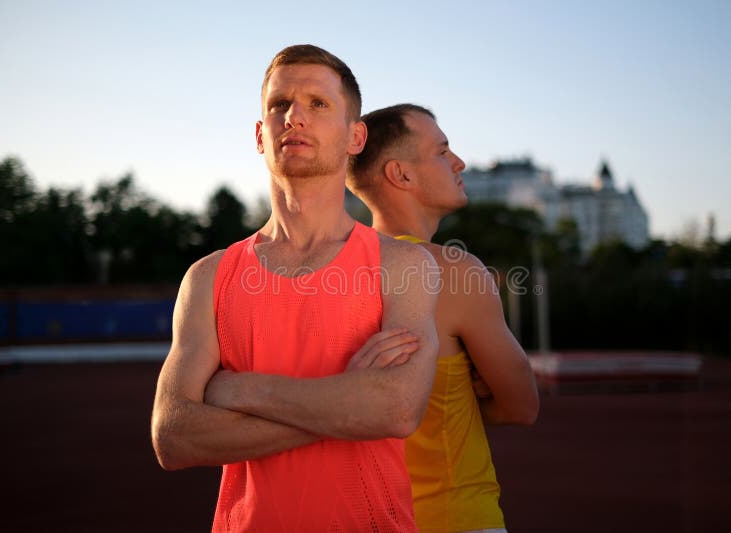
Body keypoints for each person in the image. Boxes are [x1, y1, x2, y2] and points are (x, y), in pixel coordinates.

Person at [151, 46, 439, 532]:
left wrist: (239, 389)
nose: (294, 117)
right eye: (278, 104)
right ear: (260, 135)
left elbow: (395, 409)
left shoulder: (403, 264)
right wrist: (348, 405)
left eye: (318, 104)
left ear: (355, 136)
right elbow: (174, 437)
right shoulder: (208, 277)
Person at [347, 104, 540, 533]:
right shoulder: (453, 270)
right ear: (402, 174)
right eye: (442, 150)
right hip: (455, 518)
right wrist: (470, 395)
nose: (459, 162)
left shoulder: (330, 275)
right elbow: (522, 404)